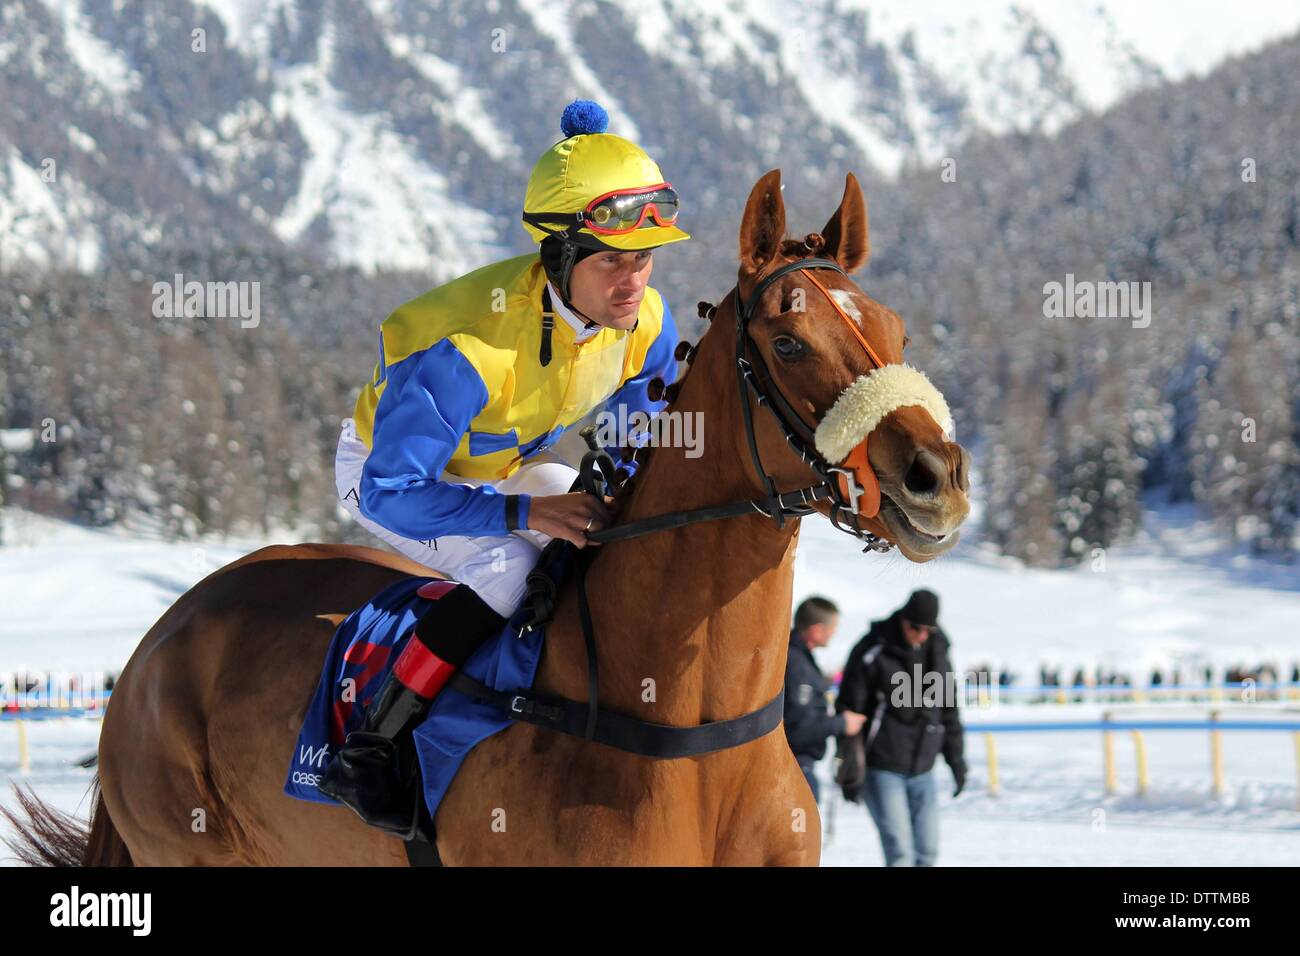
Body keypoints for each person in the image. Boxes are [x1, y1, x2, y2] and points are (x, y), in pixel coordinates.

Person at [319, 99, 690, 834]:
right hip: (387, 475)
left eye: (644, 259)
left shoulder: (645, 320)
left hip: (491, 470)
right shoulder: (468, 353)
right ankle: (372, 746)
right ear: (559, 256)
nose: (633, 282)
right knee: (508, 568)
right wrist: (521, 514)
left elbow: (637, 414)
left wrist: (612, 477)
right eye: (612, 261)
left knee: (595, 532)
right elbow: (397, 491)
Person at [835, 589, 966, 866]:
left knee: (927, 853)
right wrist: (848, 766)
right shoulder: (873, 649)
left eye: (927, 630)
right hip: (882, 767)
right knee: (901, 854)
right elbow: (849, 711)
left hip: (923, 767)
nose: (921, 635)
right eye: (916, 628)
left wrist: (957, 762)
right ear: (903, 620)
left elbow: (948, 711)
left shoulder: (938, 652)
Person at [783, 597, 866, 802]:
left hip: (796, 768)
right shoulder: (797, 664)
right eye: (833, 627)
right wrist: (842, 724)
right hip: (795, 771)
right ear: (817, 630)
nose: (834, 633)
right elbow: (799, 728)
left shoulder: (800, 659)